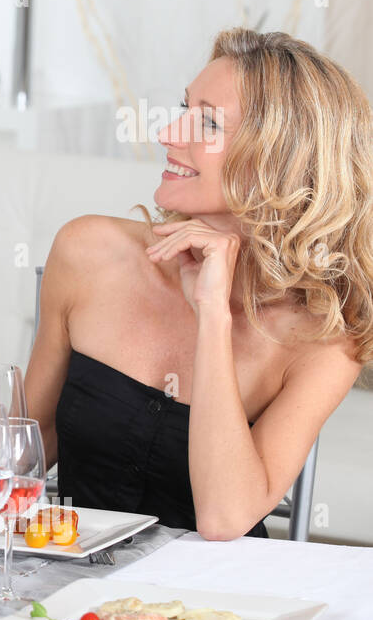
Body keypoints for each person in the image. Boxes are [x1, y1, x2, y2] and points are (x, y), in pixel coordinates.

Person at [20, 29, 373, 540]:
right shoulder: (89, 251)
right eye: (184, 108)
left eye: (207, 122)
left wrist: (213, 312)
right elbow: (22, 450)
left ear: (278, 160)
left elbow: (225, 517)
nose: (168, 133)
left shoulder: (325, 339)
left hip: (214, 611)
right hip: (67, 599)